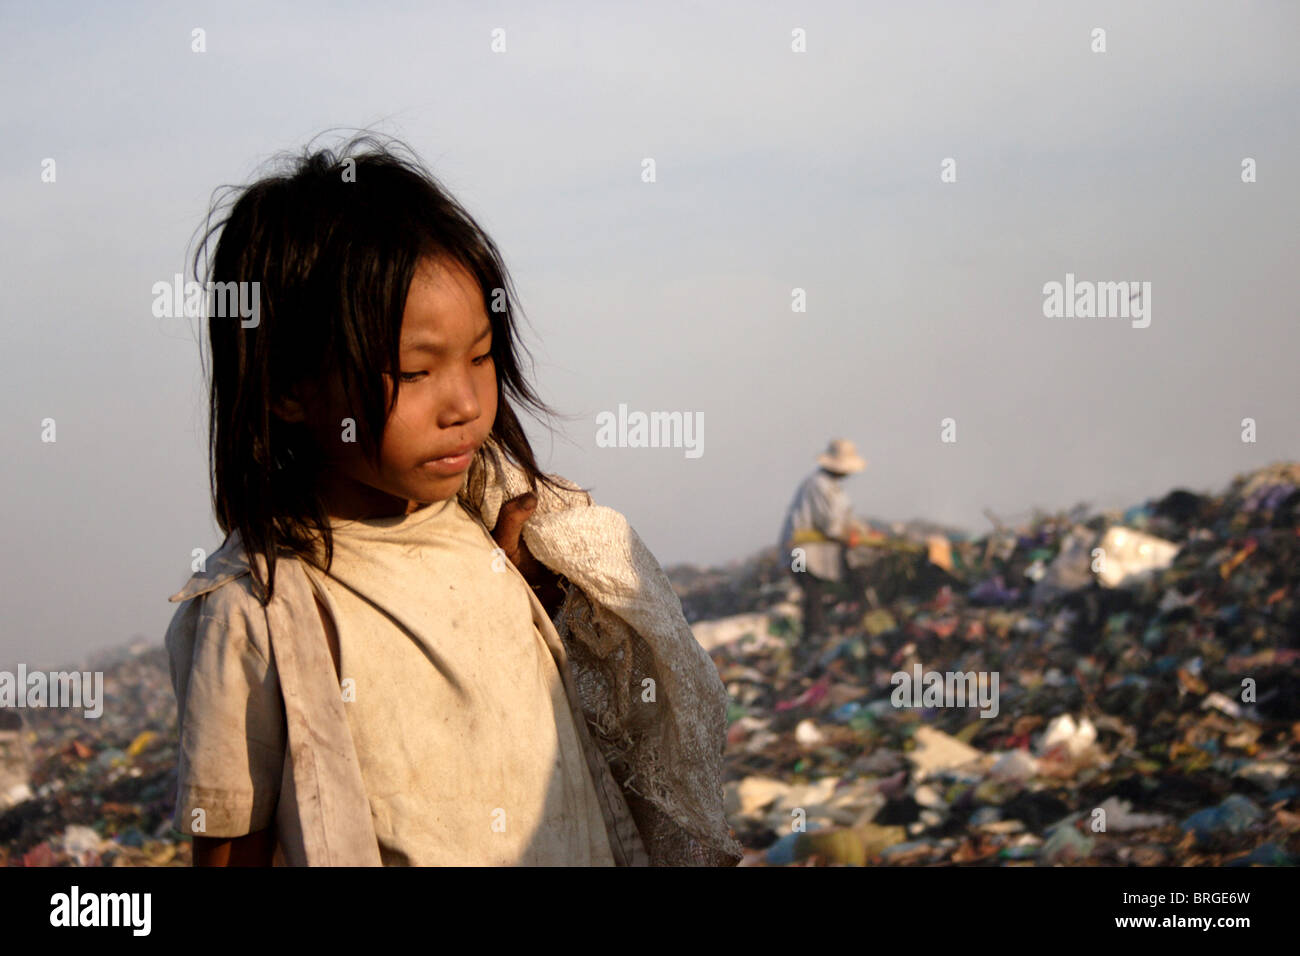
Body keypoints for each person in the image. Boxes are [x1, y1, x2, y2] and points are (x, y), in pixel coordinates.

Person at [164, 134, 740, 867]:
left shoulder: (485, 533)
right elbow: (229, 851)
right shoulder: (259, 612)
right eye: (413, 372)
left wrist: (504, 584)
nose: (465, 403)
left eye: (479, 356)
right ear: (285, 387)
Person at [778, 439, 869, 653]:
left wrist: (860, 530)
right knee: (812, 593)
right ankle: (813, 639)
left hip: (814, 551)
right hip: (800, 550)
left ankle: (817, 633)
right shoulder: (817, 485)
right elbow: (831, 524)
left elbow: (845, 517)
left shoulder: (832, 487)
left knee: (817, 592)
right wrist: (846, 535)